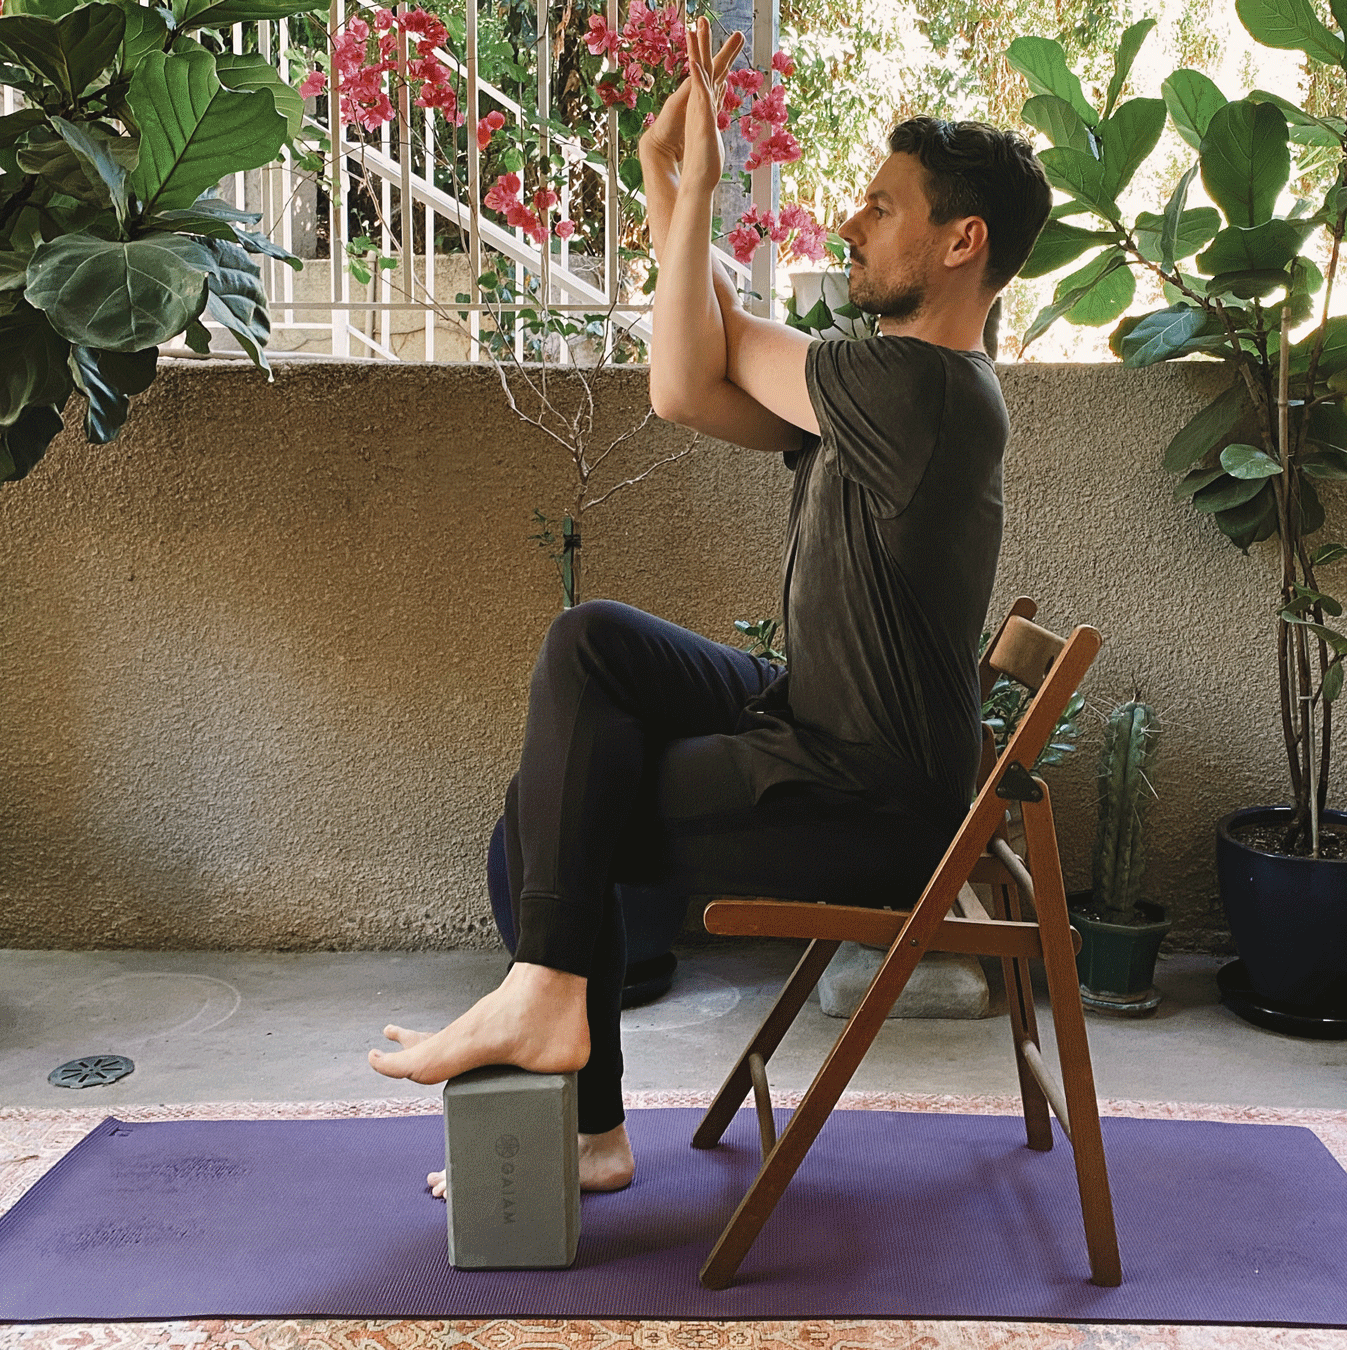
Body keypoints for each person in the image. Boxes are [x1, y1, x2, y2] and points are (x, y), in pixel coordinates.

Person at [369, 17, 1051, 1200]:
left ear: (962, 242)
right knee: (595, 649)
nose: (850, 222)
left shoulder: (920, 387)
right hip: (813, 719)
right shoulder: (875, 396)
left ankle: (580, 1102)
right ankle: (558, 1029)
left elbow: (716, 339)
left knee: (533, 832)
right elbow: (687, 384)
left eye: (881, 207)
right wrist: (665, 185)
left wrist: (691, 191)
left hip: (867, 788)